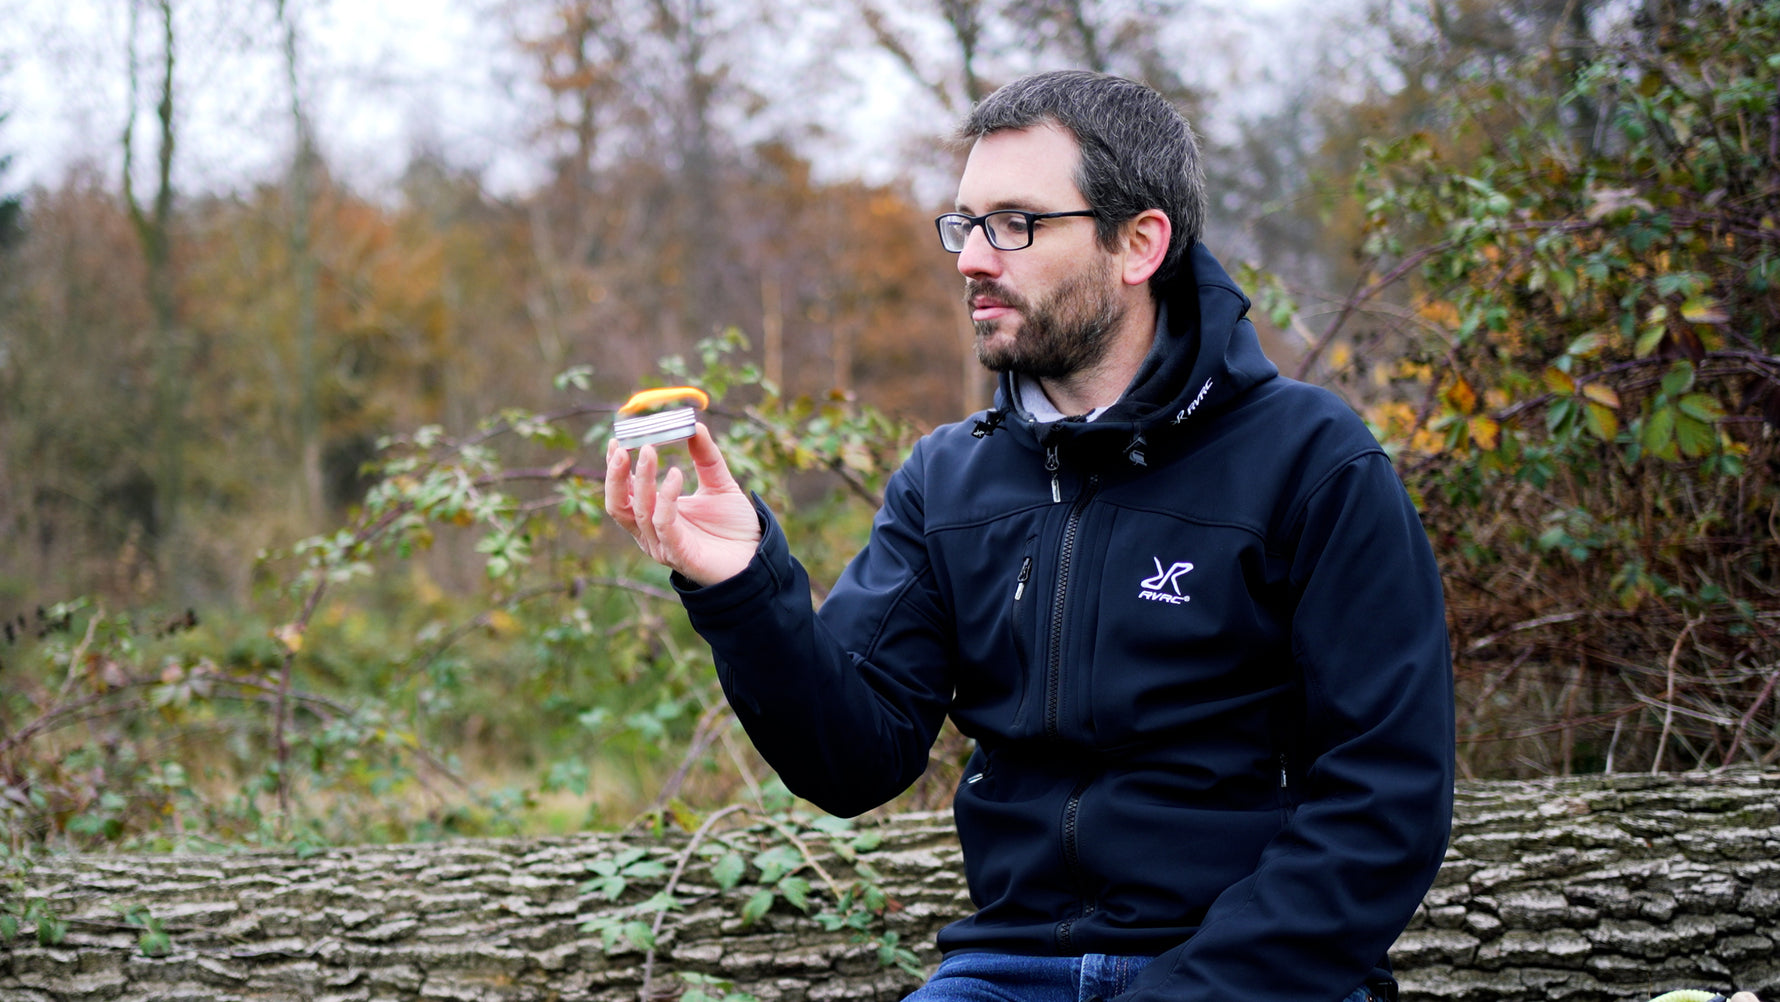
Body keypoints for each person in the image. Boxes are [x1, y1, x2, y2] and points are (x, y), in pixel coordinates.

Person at [605, 70, 1454, 1002]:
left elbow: (1384, 801)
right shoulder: (949, 479)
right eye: (966, 223)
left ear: (1138, 244)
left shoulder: (1311, 460)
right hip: (1007, 973)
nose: (972, 258)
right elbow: (854, 760)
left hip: (1245, 975)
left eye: (1015, 223)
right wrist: (741, 587)